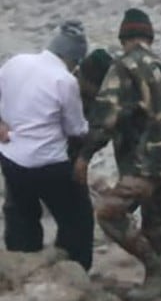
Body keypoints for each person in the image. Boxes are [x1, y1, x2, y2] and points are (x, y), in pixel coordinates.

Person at [78, 9, 161, 301]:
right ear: (149, 36)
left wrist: (84, 156)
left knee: (109, 214)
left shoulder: (124, 67)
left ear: (124, 37)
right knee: (157, 222)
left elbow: (105, 115)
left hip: (145, 162)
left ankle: (156, 272)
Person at [0, 22, 94, 271]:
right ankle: (74, 270)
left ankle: (21, 266)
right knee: (77, 217)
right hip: (48, 164)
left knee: (21, 214)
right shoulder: (64, 80)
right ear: (72, 58)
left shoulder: (16, 62)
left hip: (11, 158)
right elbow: (76, 128)